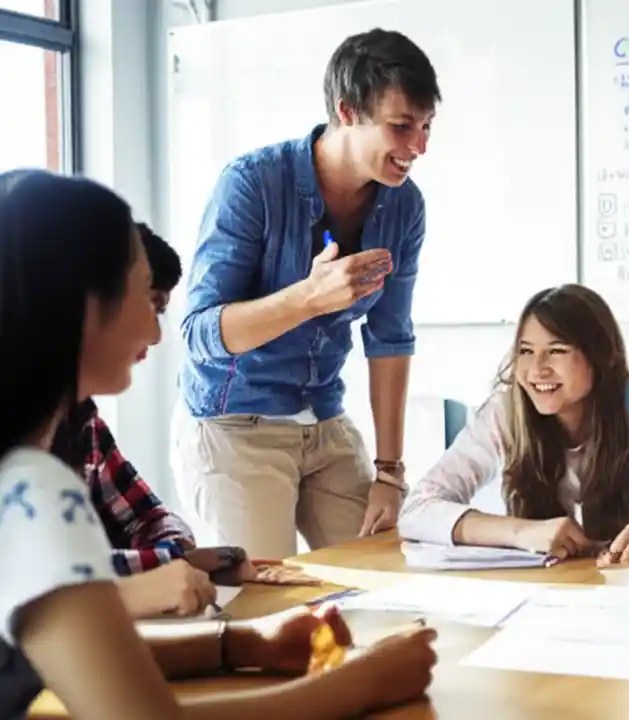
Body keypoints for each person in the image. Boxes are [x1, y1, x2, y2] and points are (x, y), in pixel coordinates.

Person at [0, 169, 436, 718]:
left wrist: (239, 645)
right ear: (87, 307)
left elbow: (79, 652)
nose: (159, 334)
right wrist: (366, 682)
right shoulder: (33, 488)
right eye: (143, 295)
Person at [172, 29, 441, 559]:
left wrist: (391, 472)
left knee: (382, 585)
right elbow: (200, 332)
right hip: (234, 423)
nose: (419, 147)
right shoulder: (252, 184)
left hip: (323, 420)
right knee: (264, 606)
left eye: (428, 127)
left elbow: (390, 337)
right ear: (346, 111)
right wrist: (309, 298)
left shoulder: (405, 206)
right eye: (402, 126)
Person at [52, 224, 316, 620]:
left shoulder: (82, 420)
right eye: (148, 305)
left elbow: (150, 519)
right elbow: (50, 580)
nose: (156, 335)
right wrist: (176, 564)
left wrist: (182, 561)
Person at [399, 284, 629, 566]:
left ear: (599, 356)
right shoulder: (505, 411)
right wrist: (521, 532)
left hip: (610, 586)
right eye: (526, 351)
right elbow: (417, 510)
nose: (536, 369)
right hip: (525, 590)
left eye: (556, 351)